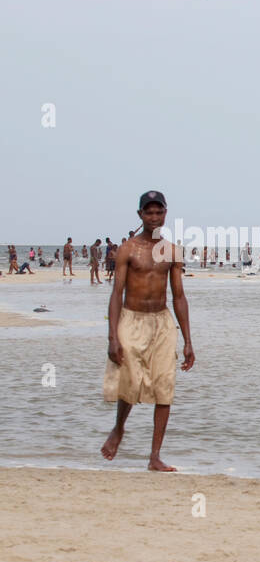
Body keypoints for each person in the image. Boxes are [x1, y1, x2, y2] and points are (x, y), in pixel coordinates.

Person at [99, 191, 196, 471]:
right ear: (140, 215)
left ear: (165, 213)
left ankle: (155, 456)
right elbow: (117, 293)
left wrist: (188, 340)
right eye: (149, 212)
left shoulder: (172, 250)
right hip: (132, 318)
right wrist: (113, 336)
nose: (154, 217)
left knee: (164, 386)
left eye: (159, 212)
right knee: (128, 380)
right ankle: (119, 428)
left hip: (161, 321)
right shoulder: (128, 249)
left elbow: (179, 296)